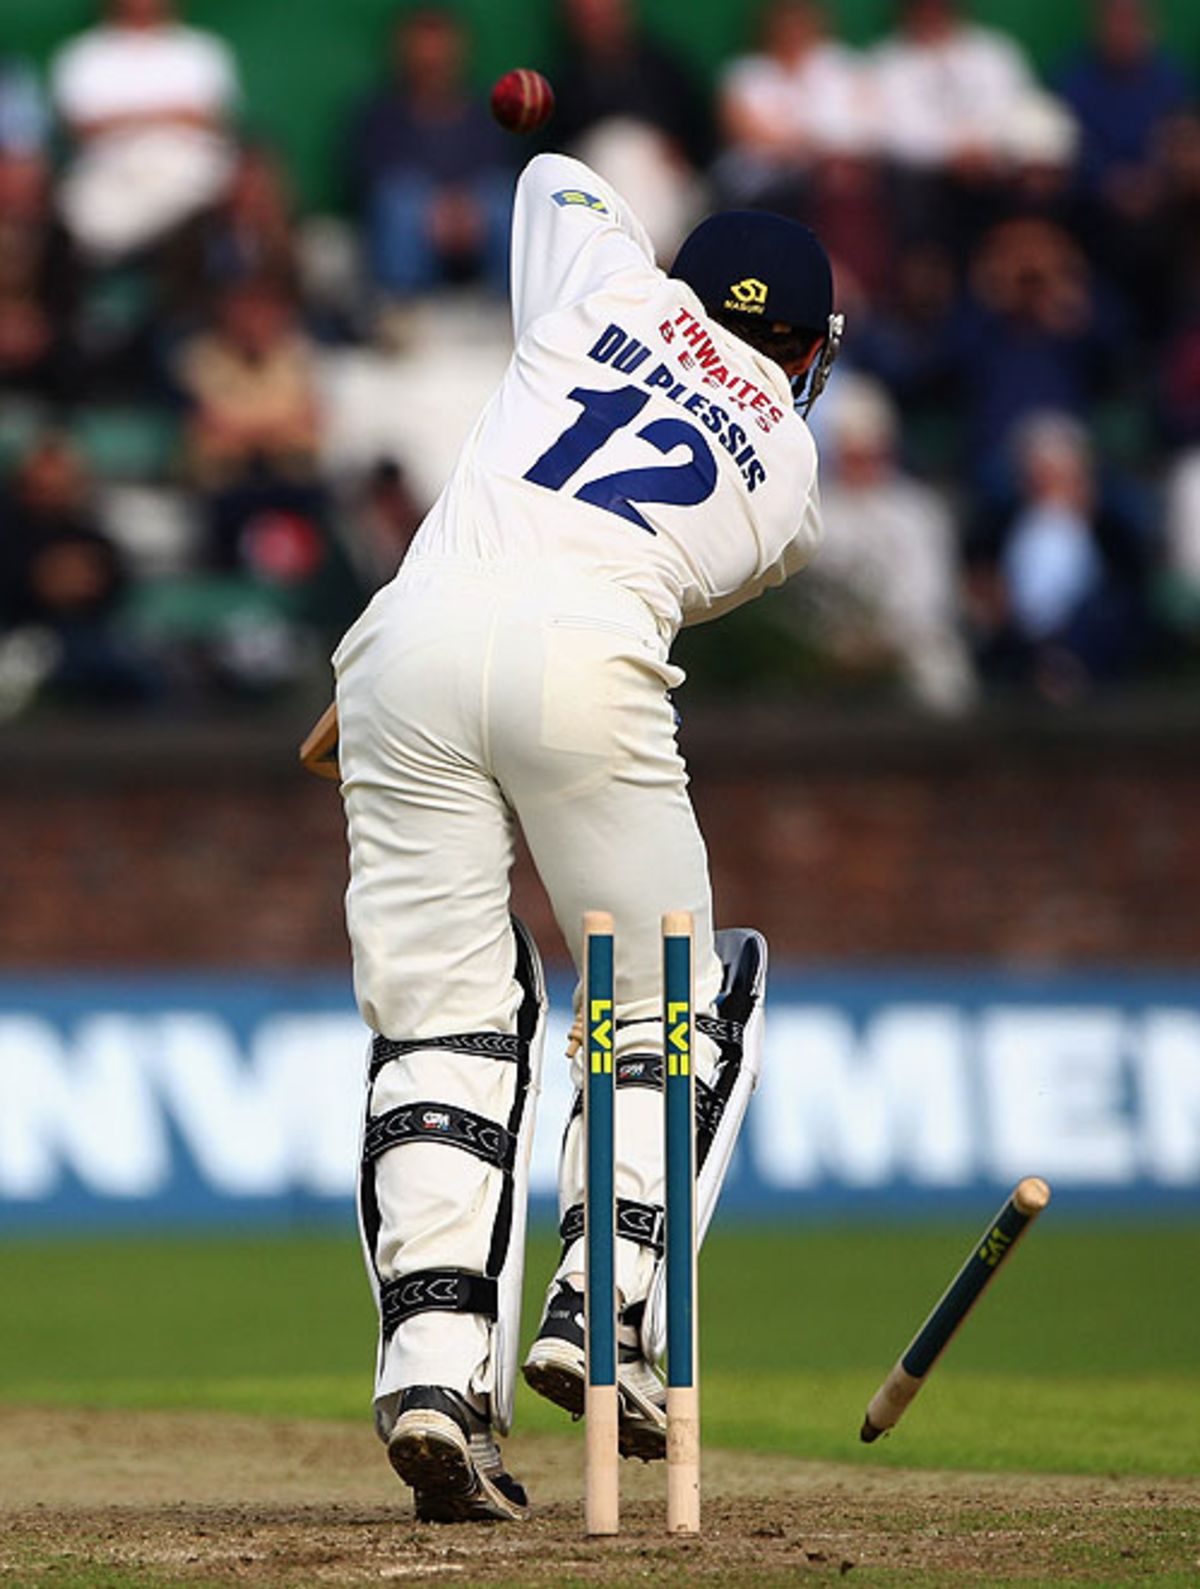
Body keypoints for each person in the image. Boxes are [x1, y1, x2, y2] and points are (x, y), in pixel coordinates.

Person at [331, 151, 840, 1520]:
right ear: (809, 350)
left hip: (401, 643)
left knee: (440, 1017)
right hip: (587, 661)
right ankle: (600, 1308)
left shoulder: (604, 288)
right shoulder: (789, 480)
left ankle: (433, 1376)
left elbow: (554, 174)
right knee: (677, 995)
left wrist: (631, 269)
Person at [50, 0, 239, 263]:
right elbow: (84, 128)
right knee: (87, 214)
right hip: (111, 169)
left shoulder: (201, 50)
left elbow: (211, 120)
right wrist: (170, 115)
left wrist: (126, 119)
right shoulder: (82, 54)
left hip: (186, 166)